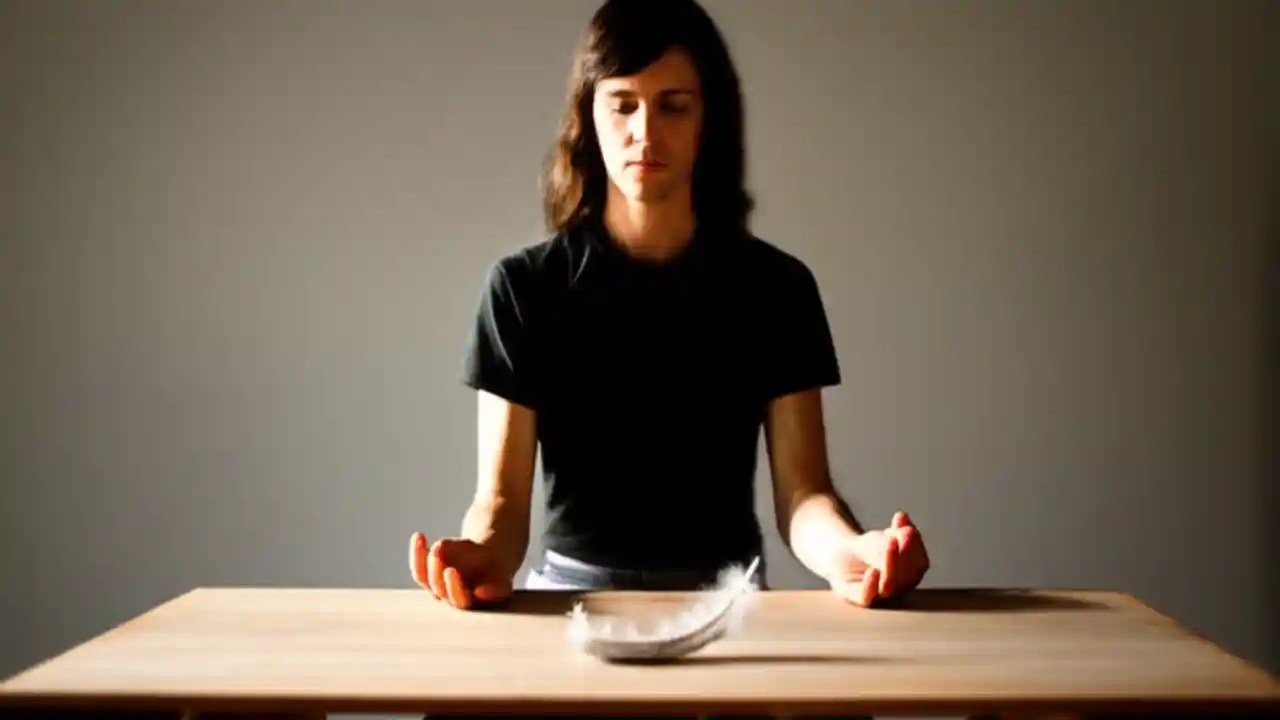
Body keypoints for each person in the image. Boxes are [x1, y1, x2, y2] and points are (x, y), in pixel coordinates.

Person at [408, 0, 929, 609]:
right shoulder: (522, 290)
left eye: (673, 106)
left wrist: (852, 554)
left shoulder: (777, 288)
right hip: (572, 606)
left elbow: (803, 494)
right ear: (589, 115)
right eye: (623, 104)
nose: (645, 133)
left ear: (708, 119)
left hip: (727, 608)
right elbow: (500, 507)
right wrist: (477, 557)